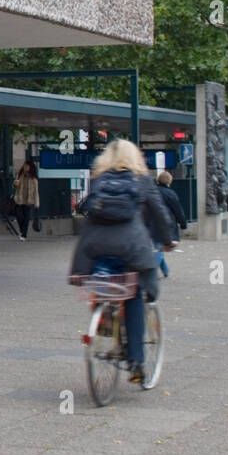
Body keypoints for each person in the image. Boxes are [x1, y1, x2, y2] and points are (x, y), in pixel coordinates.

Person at [71, 139, 178, 385]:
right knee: (135, 295)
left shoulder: (99, 180)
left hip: (96, 247)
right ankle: (136, 360)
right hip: (131, 249)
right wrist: (168, 240)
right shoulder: (142, 181)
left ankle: (103, 321)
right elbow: (160, 215)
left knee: (102, 283)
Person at [13, 159, 39, 240]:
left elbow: (36, 191)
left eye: (27, 166)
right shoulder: (19, 174)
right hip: (20, 199)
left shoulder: (33, 178)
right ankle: (22, 230)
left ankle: (24, 234)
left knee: (26, 217)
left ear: (30, 167)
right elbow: (15, 185)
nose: (25, 167)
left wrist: (36, 202)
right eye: (24, 166)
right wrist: (15, 184)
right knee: (19, 216)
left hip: (29, 200)